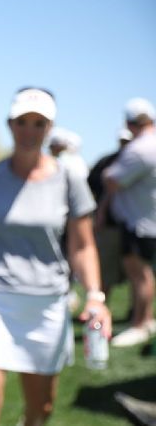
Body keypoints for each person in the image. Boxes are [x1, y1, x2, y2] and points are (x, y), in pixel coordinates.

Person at [0, 87, 111, 426]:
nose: (29, 131)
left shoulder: (70, 179)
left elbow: (83, 245)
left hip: (47, 303)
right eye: (22, 122)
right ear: (10, 124)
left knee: (40, 408)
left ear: (50, 128)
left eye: (38, 123)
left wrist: (95, 295)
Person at [104, 97, 156, 347]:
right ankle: (146, 319)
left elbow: (112, 180)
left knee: (139, 275)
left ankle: (140, 324)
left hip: (139, 222)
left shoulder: (140, 148)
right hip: (147, 220)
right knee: (145, 274)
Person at [87, 128, 133, 299]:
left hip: (135, 225)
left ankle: (135, 310)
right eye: (123, 141)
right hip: (110, 224)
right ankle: (101, 304)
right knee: (105, 269)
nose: (125, 145)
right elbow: (91, 185)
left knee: (135, 274)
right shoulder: (107, 161)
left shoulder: (139, 161)